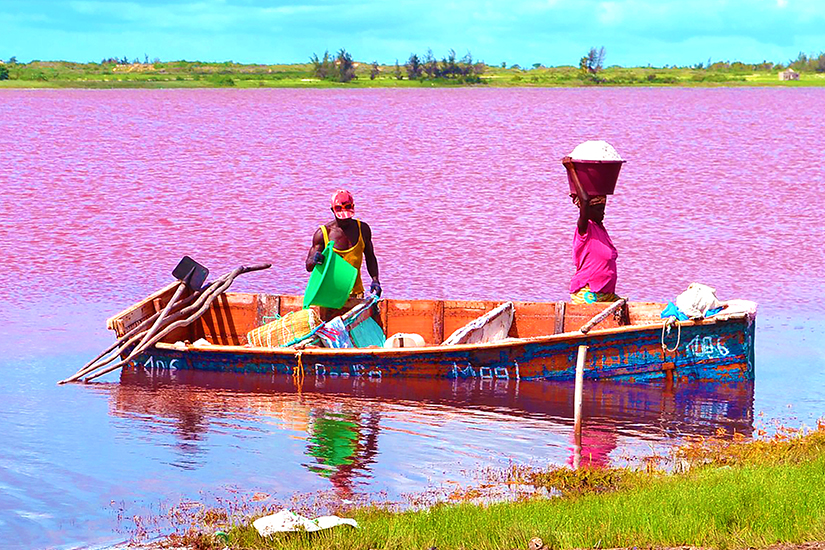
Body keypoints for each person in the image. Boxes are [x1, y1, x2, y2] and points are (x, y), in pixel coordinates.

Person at [563, 156, 620, 304]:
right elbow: (585, 201)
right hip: (588, 294)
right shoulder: (585, 228)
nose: (603, 213)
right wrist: (571, 169)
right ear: (588, 210)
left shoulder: (601, 229)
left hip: (606, 294)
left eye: (604, 209)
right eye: (600, 209)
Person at [305, 189, 381, 301]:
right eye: (341, 217)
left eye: (348, 216)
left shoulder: (363, 229)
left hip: (356, 294)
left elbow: (370, 257)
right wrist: (315, 259)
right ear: (332, 210)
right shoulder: (323, 233)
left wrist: (375, 280)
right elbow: (308, 266)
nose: (345, 220)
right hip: (329, 295)